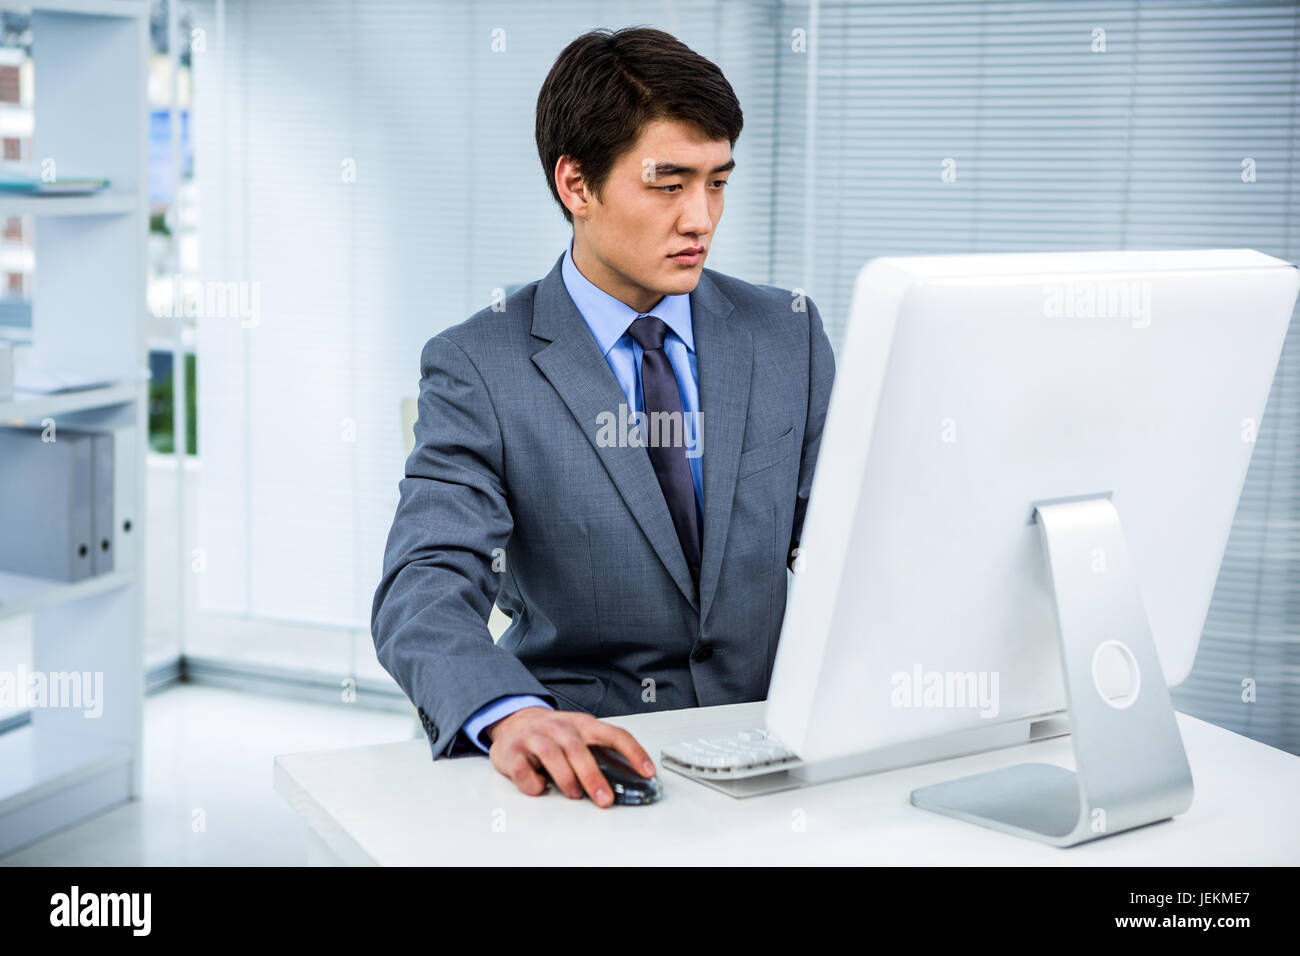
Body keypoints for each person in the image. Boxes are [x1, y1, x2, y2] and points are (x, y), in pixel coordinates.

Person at [371, 26, 835, 808]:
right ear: (576, 186)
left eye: (718, 181)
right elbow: (424, 583)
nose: (702, 219)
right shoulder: (480, 365)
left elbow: (848, 543)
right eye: (669, 184)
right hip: (593, 768)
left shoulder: (785, 332)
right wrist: (512, 715)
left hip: (777, 755)